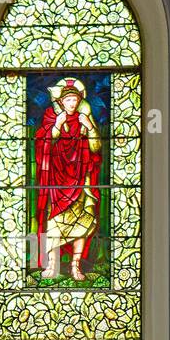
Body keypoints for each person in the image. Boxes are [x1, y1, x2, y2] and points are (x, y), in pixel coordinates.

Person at [35, 78, 101, 281]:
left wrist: (89, 128)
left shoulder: (84, 119)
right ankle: (52, 266)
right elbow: (42, 143)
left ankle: (76, 266)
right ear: (61, 102)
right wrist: (57, 126)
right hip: (56, 180)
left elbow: (96, 149)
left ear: (79, 101)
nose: (72, 103)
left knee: (81, 222)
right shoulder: (51, 116)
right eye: (68, 100)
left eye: (75, 100)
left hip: (80, 179)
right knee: (55, 224)